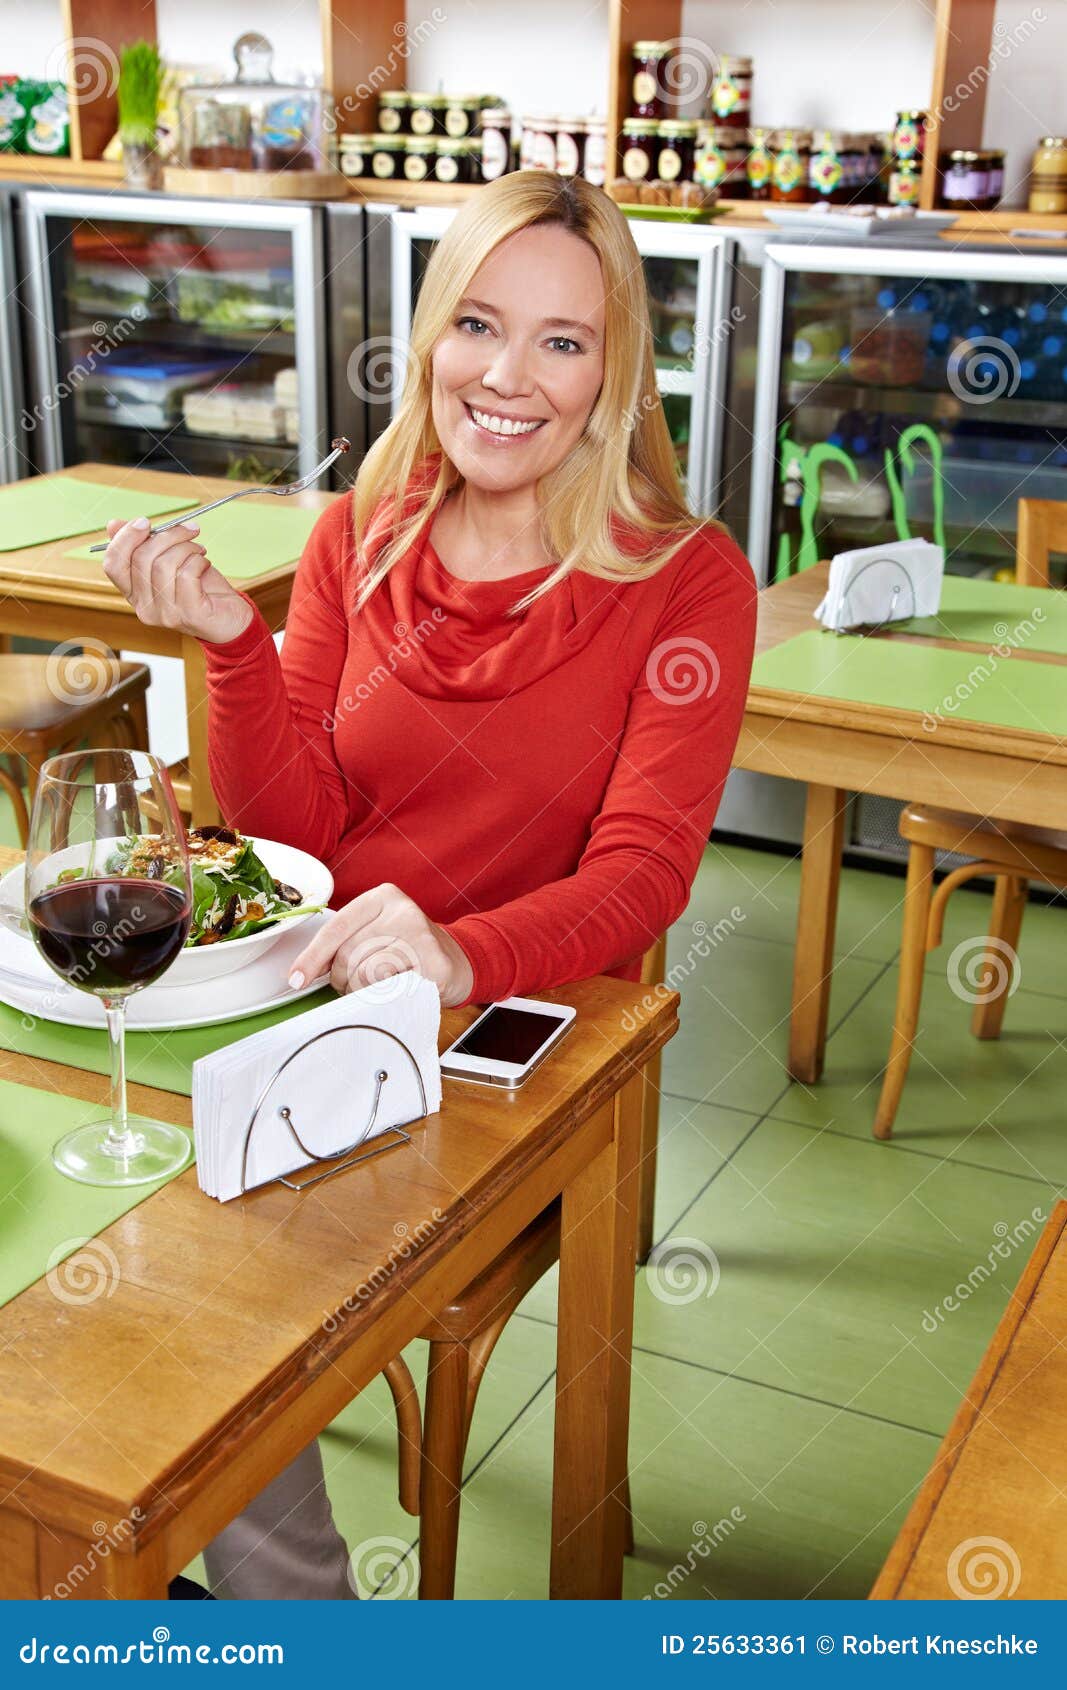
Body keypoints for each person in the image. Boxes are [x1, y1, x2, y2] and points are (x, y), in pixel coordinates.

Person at [102, 170, 757, 1598]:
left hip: (512, 1042)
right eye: (477, 324)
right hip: (315, 993)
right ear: (429, 337)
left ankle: (297, 1615)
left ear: (614, 370)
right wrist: (231, 642)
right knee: (106, 1198)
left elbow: (644, 876)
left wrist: (457, 951)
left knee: (199, 1254)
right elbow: (305, 826)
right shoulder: (359, 533)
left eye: (563, 342)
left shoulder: (689, 581)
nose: (509, 377)